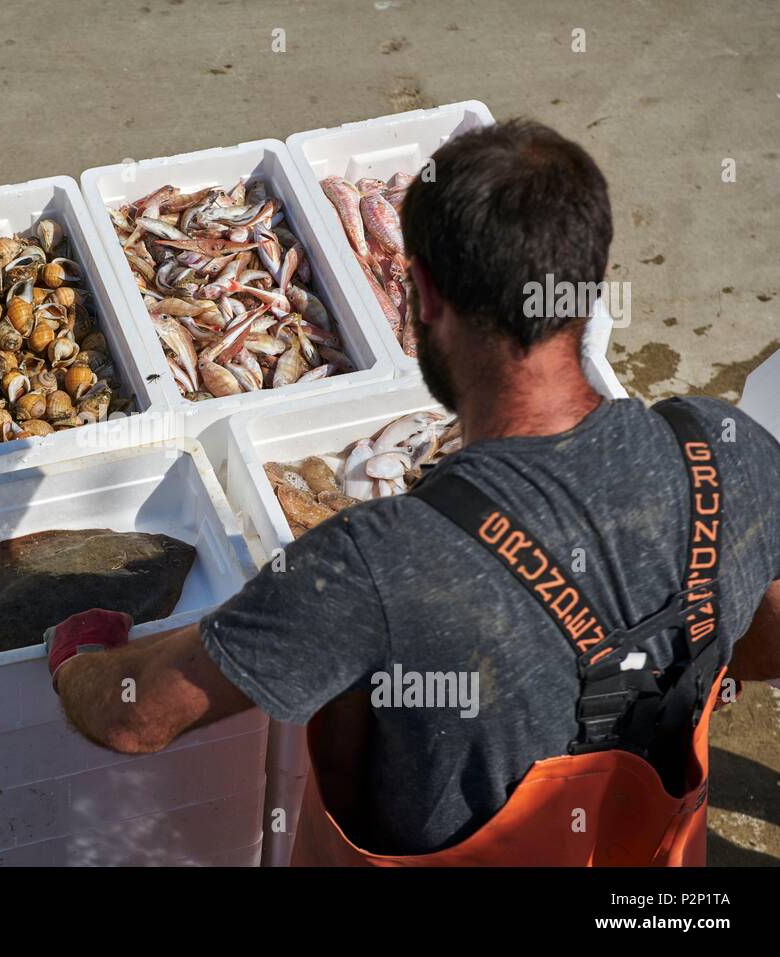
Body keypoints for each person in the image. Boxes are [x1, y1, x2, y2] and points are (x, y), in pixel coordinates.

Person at [42, 119, 780, 865]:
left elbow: (135, 715)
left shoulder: (381, 561)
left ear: (422, 293)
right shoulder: (726, 451)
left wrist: (78, 649)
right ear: (588, 287)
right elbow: (773, 638)